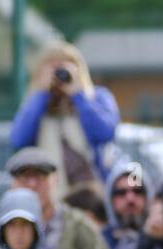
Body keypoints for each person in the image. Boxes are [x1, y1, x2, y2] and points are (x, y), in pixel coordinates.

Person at [10, 41, 119, 188]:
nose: (59, 74)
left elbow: (105, 133)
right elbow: (18, 140)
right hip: (47, 191)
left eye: (64, 67)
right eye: (53, 67)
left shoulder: (98, 98)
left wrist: (78, 95)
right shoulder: (35, 104)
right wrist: (42, 93)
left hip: (89, 191)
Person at [102, 162, 152, 249]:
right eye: (121, 192)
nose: (130, 199)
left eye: (137, 191)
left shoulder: (162, 243)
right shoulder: (100, 243)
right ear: (111, 199)